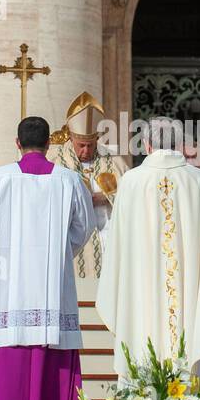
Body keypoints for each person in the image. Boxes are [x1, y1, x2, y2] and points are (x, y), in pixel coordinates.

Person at [0, 116, 95, 400]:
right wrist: (62, 252)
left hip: (9, 284)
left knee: (11, 351)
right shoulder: (68, 180)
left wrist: (4, 252)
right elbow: (84, 227)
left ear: (17, 143)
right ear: (50, 143)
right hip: (55, 285)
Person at [97, 117, 200, 379]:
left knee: (140, 336)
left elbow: (118, 243)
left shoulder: (131, 181)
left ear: (147, 144)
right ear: (180, 145)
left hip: (140, 289)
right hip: (187, 289)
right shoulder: (199, 181)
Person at [46, 92, 129, 278]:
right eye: (81, 145)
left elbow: (132, 195)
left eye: (90, 145)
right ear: (70, 139)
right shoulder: (55, 162)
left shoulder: (114, 160)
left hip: (108, 238)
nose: (86, 150)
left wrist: (106, 198)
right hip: (71, 240)